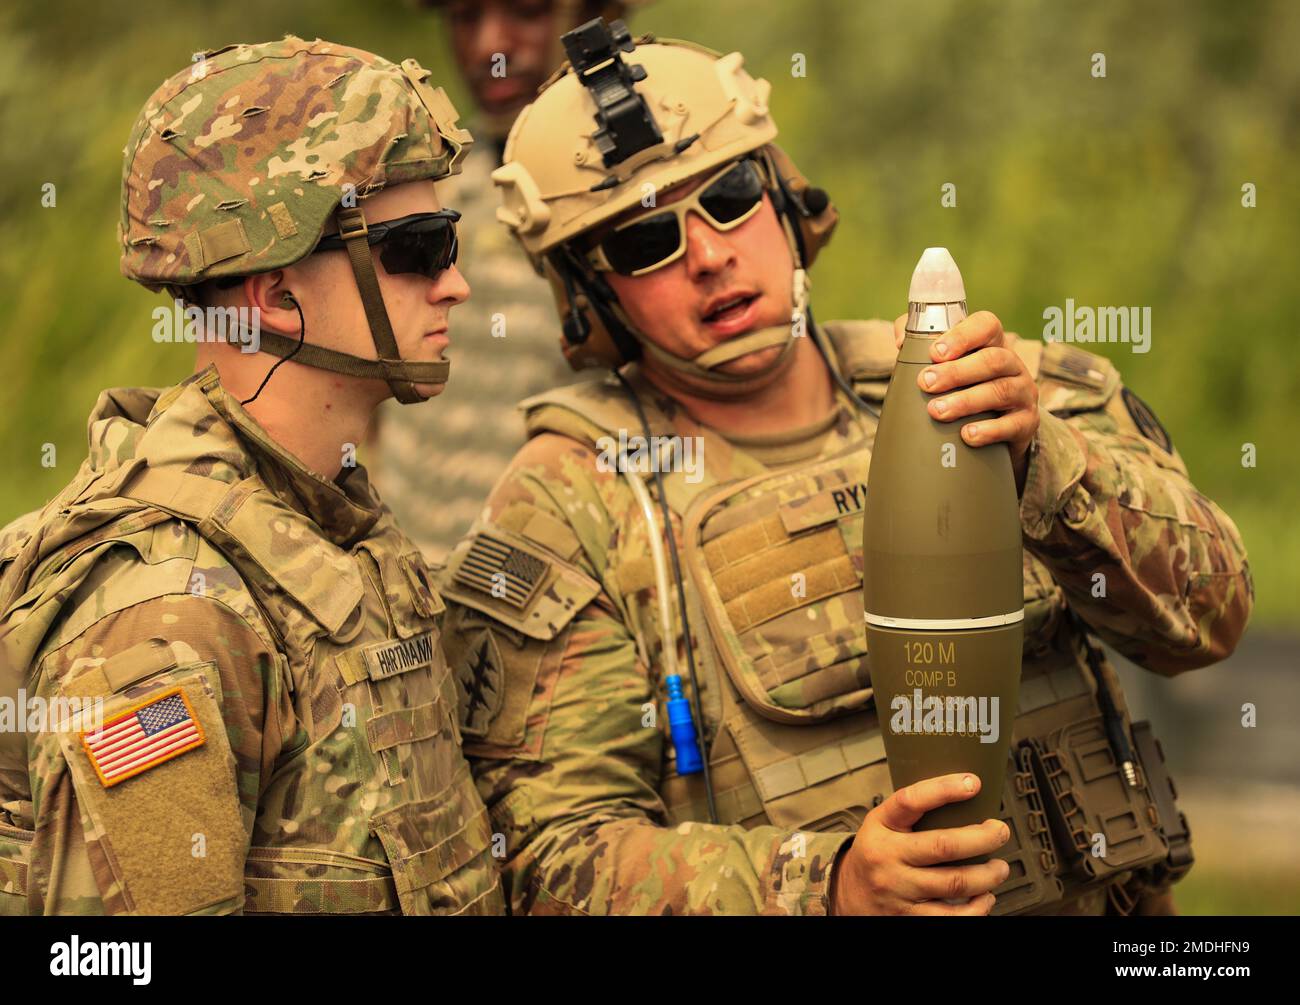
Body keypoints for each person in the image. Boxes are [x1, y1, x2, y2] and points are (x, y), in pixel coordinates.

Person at [437, 22, 1253, 916]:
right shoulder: (570, 503)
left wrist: (1045, 463)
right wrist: (824, 887)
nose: (709, 256)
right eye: (646, 243)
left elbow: (1209, 621)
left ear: (786, 197)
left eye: (732, 195)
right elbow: (550, 858)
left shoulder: (991, 386)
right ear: (589, 291)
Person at [0, 36, 503, 916]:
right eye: (419, 248)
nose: (455, 283)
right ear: (275, 296)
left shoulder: (332, 524)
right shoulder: (169, 615)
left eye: (448, 240)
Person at [373, 0, 649, 563]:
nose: (490, 47)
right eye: (465, 18)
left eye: (527, 11)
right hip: (412, 596)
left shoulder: (647, 195)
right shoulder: (423, 186)